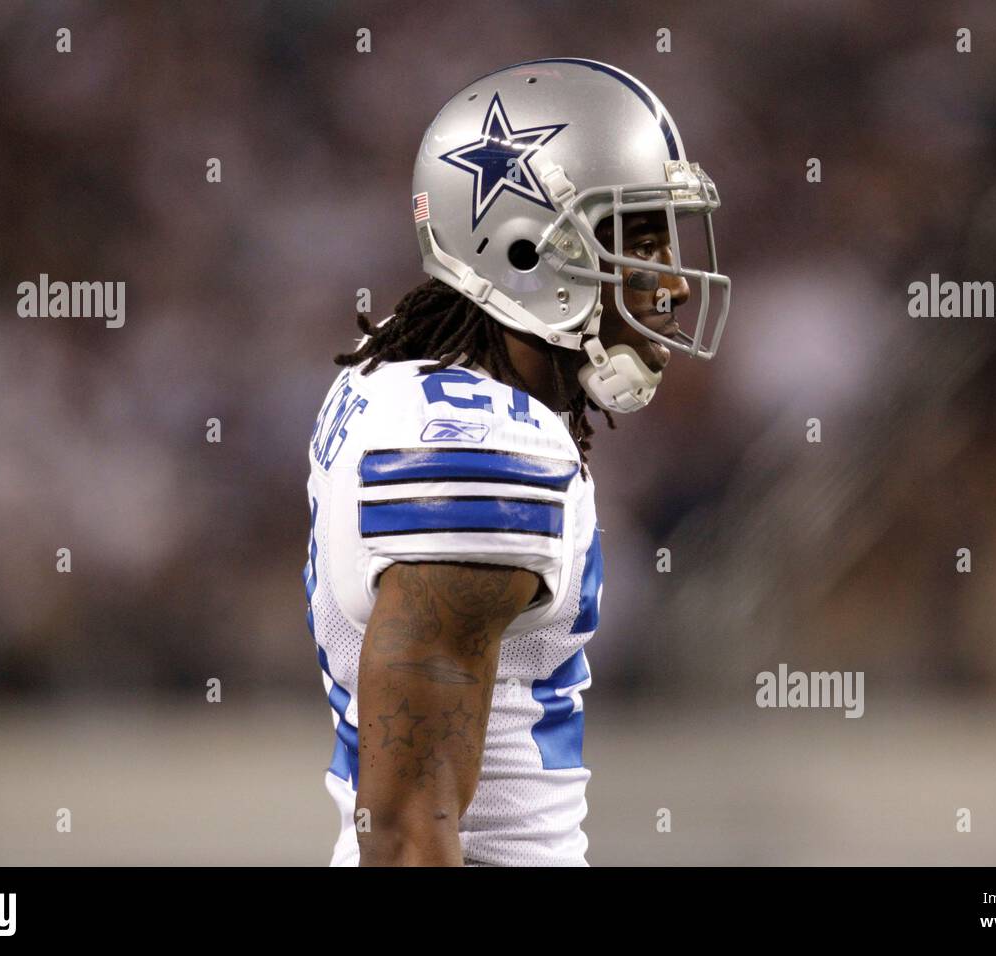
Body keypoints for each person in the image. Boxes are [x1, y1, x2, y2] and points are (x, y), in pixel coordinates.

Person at [304, 58, 730, 866]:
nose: (672, 279)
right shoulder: (483, 458)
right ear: (527, 249)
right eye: (639, 237)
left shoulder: (398, 371)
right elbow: (405, 836)